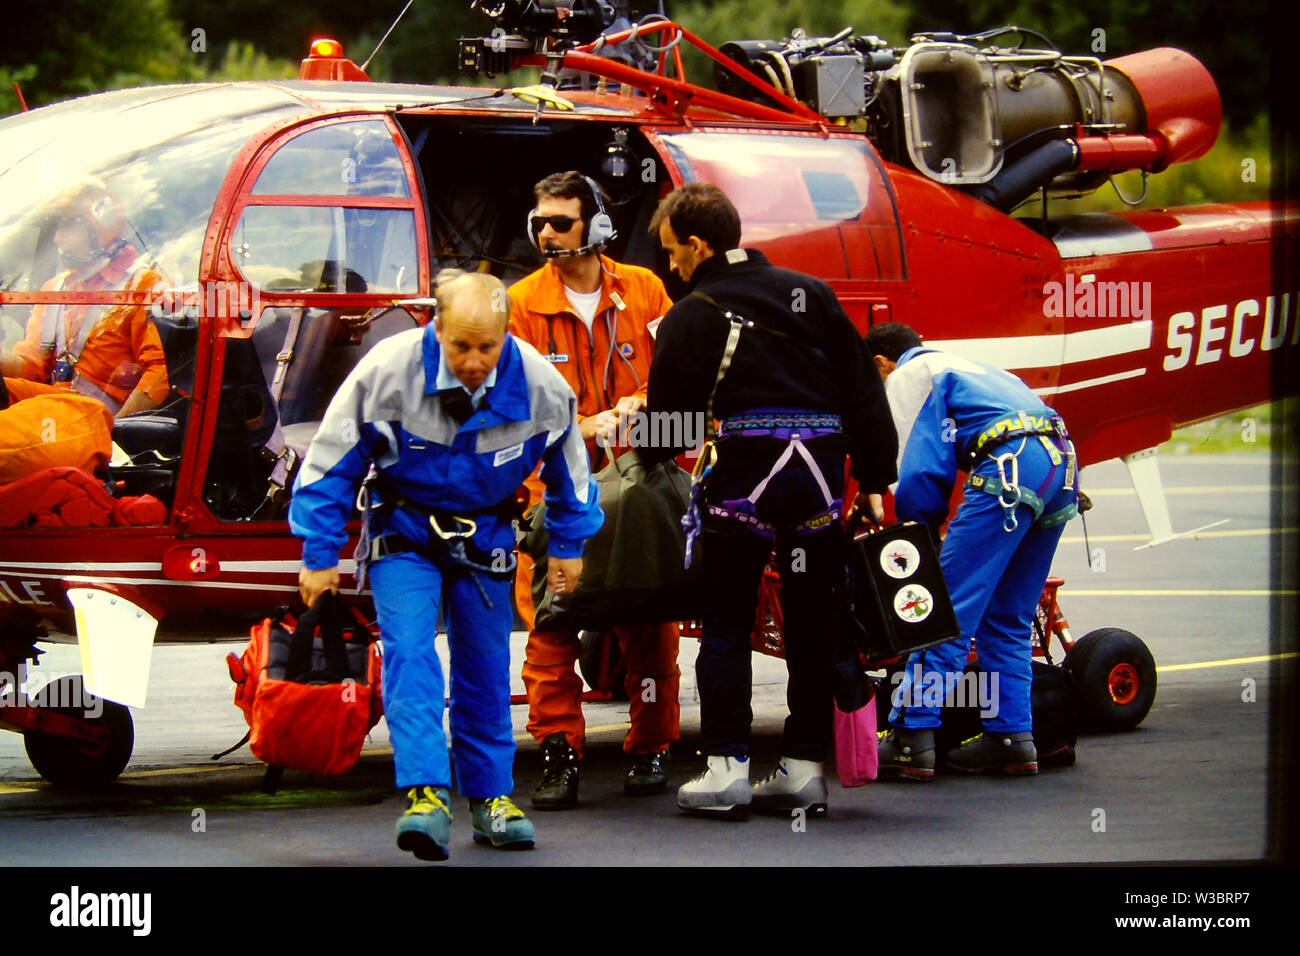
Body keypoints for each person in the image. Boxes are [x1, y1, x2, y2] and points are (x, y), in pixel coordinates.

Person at [290, 269, 603, 861]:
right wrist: (319, 553)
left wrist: (568, 544)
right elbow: (330, 464)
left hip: (487, 538)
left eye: (488, 346)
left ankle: (491, 800)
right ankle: (427, 795)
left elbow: (571, 470)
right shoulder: (387, 371)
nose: (475, 360)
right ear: (436, 327)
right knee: (410, 654)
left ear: (507, 333)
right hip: (403, 533)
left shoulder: (540, 385)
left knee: (485, 668)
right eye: (460, 345)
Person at [642, 182, 898, 817]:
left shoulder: (693, 311)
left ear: (699, 246)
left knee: (727, 620)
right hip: (817, 479)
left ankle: (725, 767)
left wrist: (631, 434)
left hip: (743, 481)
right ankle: (802, 768)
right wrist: (872, 480)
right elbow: (864, 385)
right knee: (812, 622)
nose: (670, 265)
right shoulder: (810, 293)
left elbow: (668, 424)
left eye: (673, 252)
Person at [508, 170, 682, 807]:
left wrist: (646, 405)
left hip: (640, 490)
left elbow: (682, 391)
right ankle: (559, 753)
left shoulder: (645, 290)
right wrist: (581, 425)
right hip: (560, 494)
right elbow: (511, 410)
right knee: (553, 629)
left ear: (598, 225)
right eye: (539, 223)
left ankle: (653, 746)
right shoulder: (521, 303)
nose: (546, 234)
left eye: (561, 222)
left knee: (652, 623)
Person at [865, 321, 1079, 779]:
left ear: (882, 363)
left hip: (1010, 470)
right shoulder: (974, 366)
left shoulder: (908, 376)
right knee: (1009, 617)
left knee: (944, 612)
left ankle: (910, 738)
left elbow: (919, 470)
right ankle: (1012, 738)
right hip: (1060, 469)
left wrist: (919, 536)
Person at [0, 178, 169, 418]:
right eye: (58, 227)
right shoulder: (56, 288)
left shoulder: (145, 285)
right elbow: (32, 368)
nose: (58, 238)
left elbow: (160, 373)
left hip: (99, 425)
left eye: (69, 225)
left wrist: (113, 434)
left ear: (101, 223)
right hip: (57, 415)